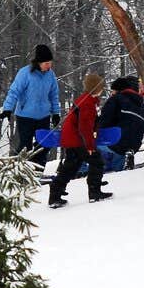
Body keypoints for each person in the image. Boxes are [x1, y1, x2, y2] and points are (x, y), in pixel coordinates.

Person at [49, 74, 112, 208]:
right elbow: (84, 127)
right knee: (97, 162)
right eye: (101, 87)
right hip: (77, 139)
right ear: (96, 88)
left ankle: (55, 195)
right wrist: (90, 145)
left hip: (70, 138)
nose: (102, 89)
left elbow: (87, 122)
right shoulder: (88, 103)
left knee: (71, 167)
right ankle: (95, 192)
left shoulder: (84, 100)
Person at [0, 44, 61, 168]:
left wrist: (55, 113)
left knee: (44, 145)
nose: (49, 66)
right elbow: (14, 92)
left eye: (50, 63)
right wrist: (7, 109)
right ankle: (22, 171)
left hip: (43, 116)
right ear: (39, 62)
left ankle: (37, 169)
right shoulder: (25, 73)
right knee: (25, 147)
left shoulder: (50, 75)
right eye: (46, 63)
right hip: (25, 117)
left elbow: (54, 95)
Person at [98, 76, 144, 169]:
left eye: (113, 90)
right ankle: (119, 164)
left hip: (115, 141)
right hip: (134, 145)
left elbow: (104, 120)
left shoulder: (115, 99)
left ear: (118, 90)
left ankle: (81, 170)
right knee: (119, 153)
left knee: (84, 142)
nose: (112, 93)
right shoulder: (142, 106)